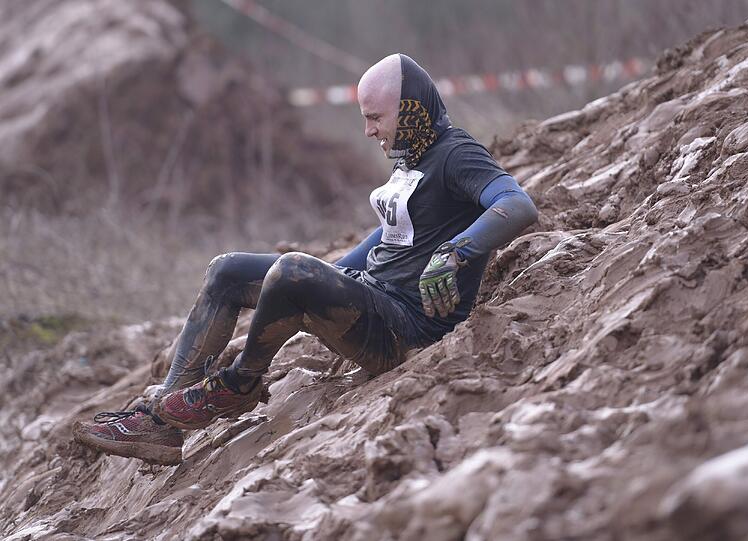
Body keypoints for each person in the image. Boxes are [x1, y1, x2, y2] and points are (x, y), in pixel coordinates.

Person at [72, 54, 538, 465]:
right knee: (226, 270)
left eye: (375, 117)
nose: (368, 131)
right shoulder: (410, 158)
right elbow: (396, 232)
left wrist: (458, 251)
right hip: (375, 298)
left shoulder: (457, 153)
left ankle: (238, 385)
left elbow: (516, 204)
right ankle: (163, 419)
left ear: (410, 108)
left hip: (406, 329)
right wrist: (333, 274)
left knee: (292, 268)